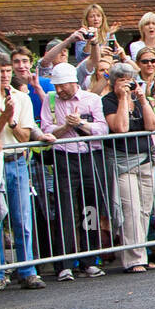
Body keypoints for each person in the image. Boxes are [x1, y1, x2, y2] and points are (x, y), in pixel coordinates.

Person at [0, 52, 54, 291]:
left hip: (18, 161)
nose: (6, 75)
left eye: (8, 70)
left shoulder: (22, 97)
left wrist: (12, 120)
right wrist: (4, 115)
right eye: (1, 71)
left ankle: (27, 270)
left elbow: (25, 136)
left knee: (22, 219)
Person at [39, 61, 108, 280]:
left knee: (91, 207)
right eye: (56, 86)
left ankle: (90, 259)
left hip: (89, 156)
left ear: (73, 83)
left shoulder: (92, 99)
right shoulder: (50, 100)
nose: (59, 90)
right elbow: (46, 130)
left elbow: (102, 128)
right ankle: (65, 263)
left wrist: (80, 125)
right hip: (64, 157)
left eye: (63, 86)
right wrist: (66, 127)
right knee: (65, 209)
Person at [102, 62, 155, 272]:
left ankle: (140, 253)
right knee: (131, 211)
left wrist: (143, 100)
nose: (127, 83)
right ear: (113, 83)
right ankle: (134, 259)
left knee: (145, 210)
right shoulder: (108, 101)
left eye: (130, 78)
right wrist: (122, 99)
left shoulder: (138, 98)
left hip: (145, 160)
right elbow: (121, 127)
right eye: (122, 79)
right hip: (123, 163)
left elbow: (152, 126)